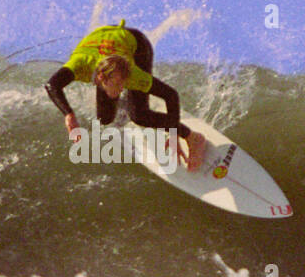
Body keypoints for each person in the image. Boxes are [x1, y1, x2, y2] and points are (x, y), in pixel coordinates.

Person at [44, 20, 206, 171]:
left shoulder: (132, 74)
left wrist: (173, 133)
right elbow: (52, 85)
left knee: (139, 115)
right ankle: (125, 106)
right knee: (104, 119)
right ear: (100, 78)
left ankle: (193, 137)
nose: (122, 89)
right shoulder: (80, 64)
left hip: (136, 44)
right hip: (102, 47)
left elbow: (171, 95)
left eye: (124, 85)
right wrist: (69, 115)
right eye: (117, 85)